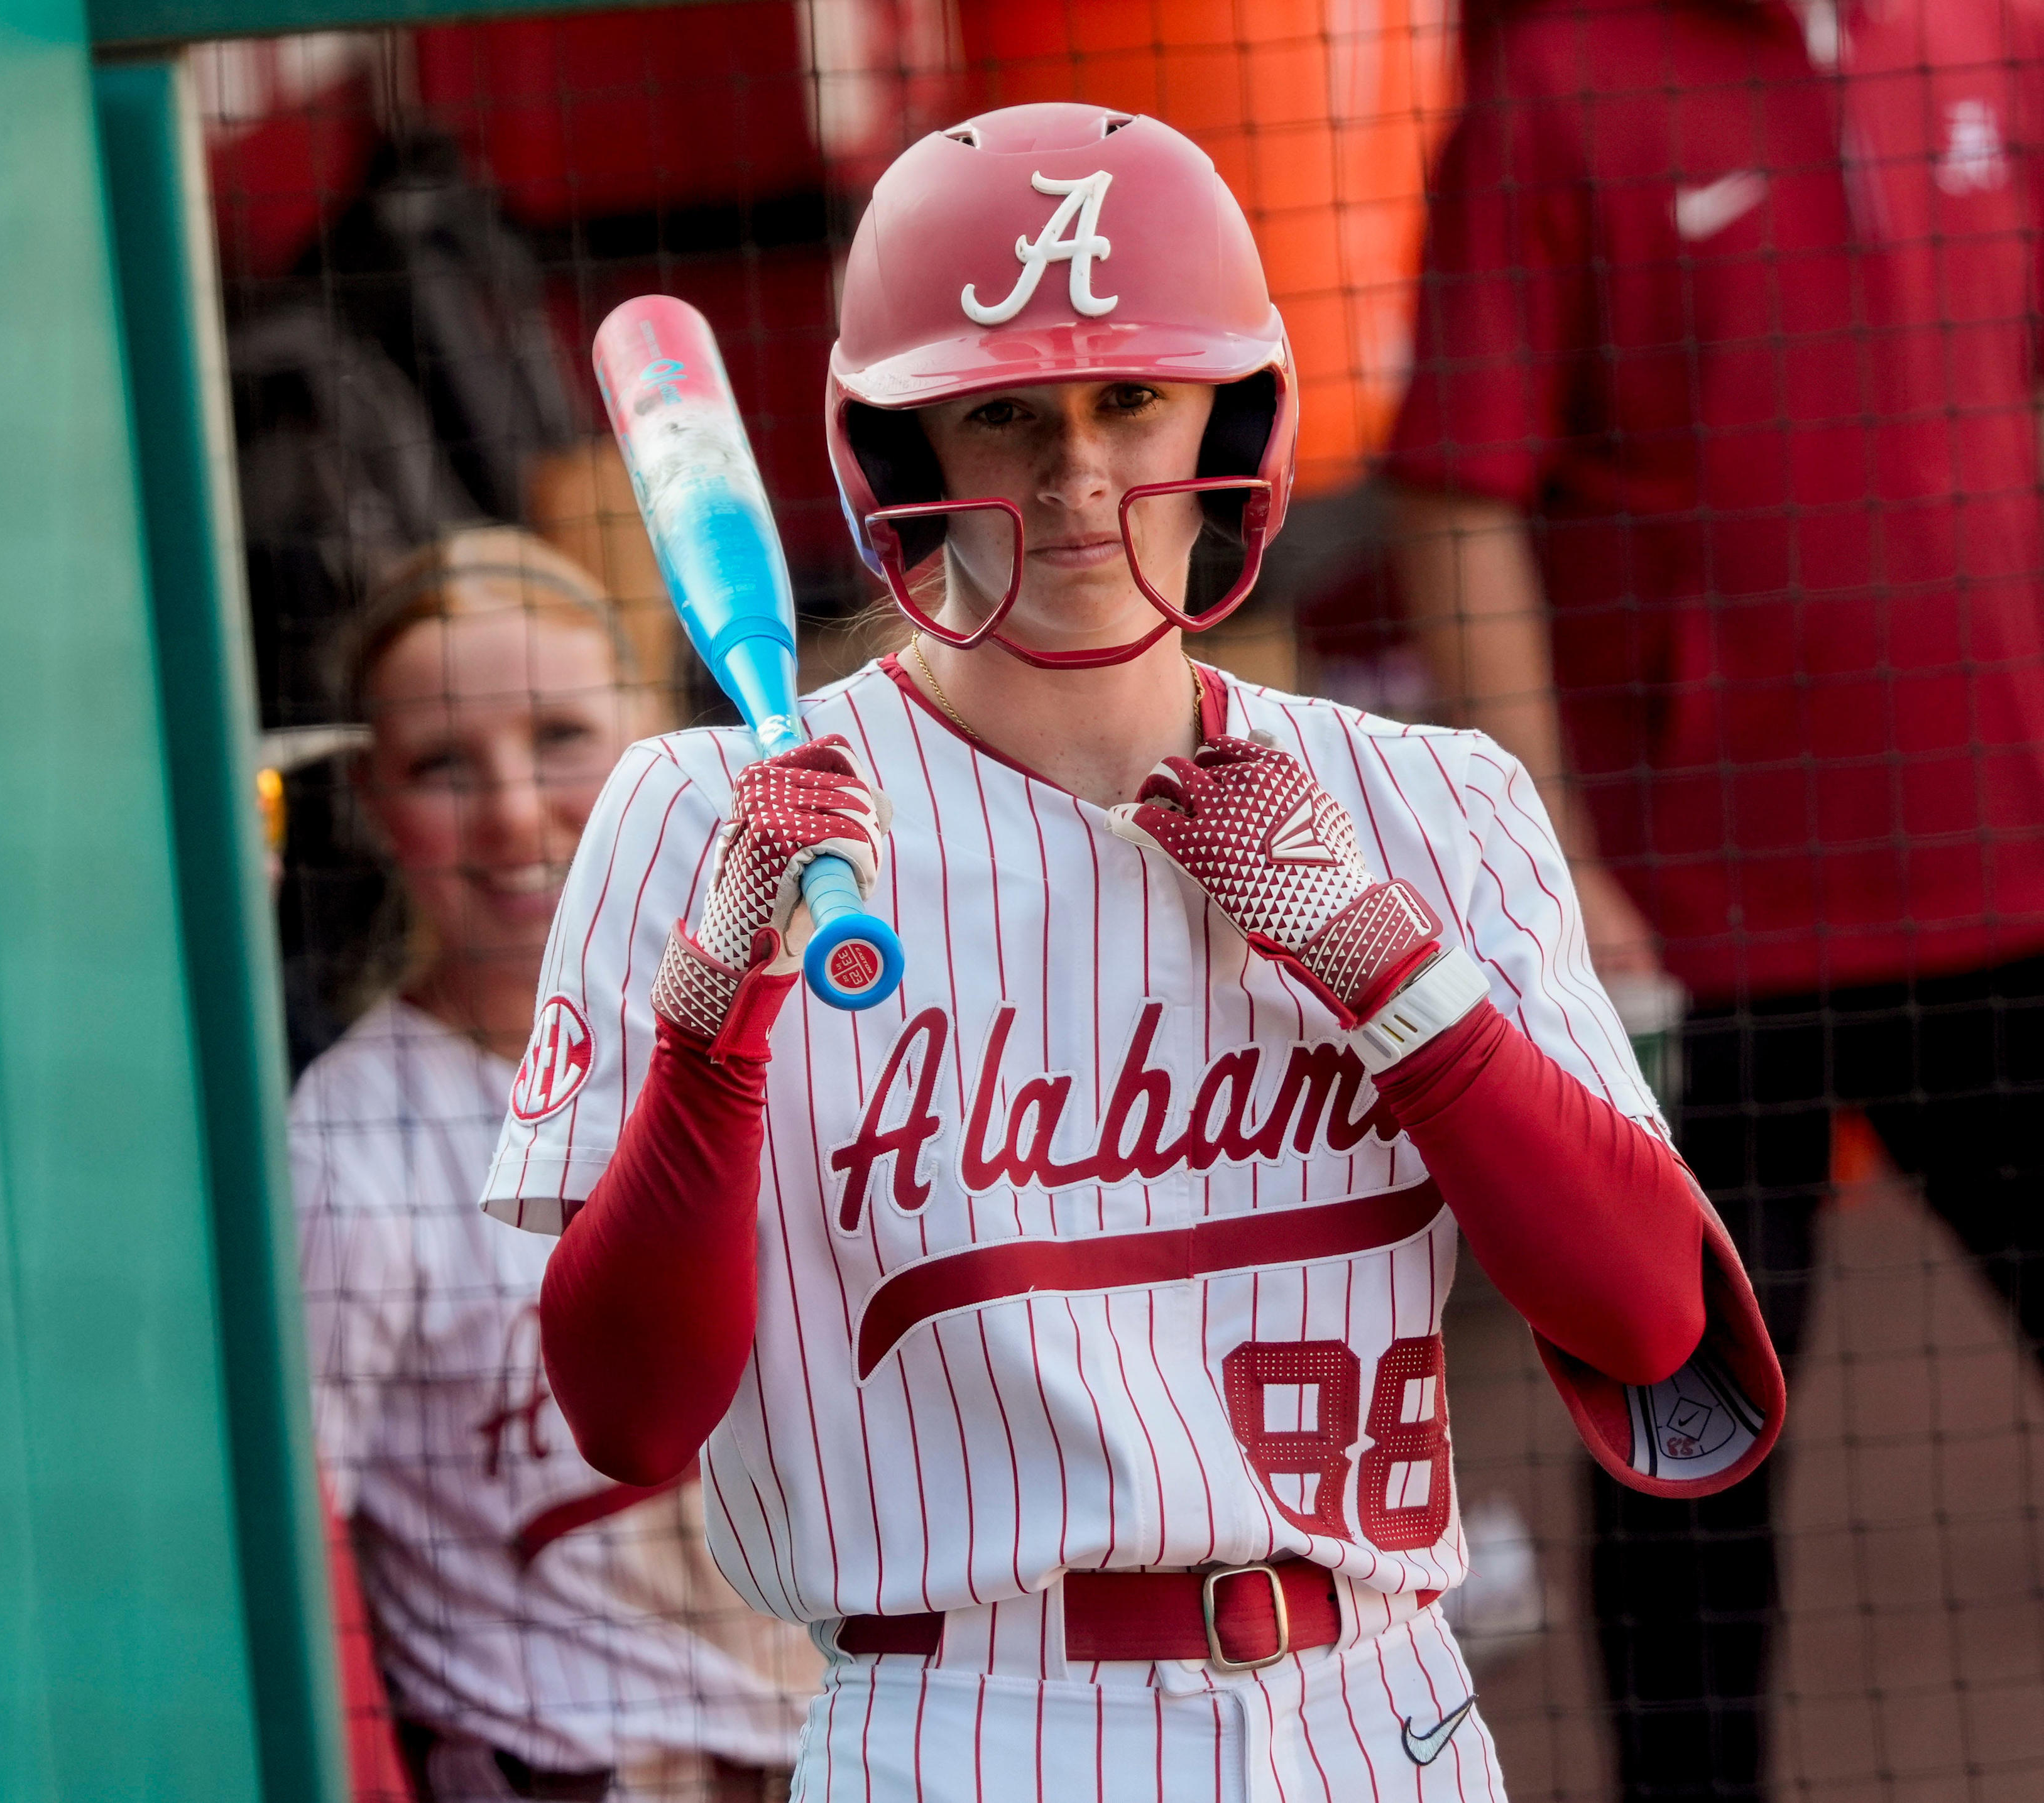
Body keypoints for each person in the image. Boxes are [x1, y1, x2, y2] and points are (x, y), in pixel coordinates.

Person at [481, 104, 1784, 1803]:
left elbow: (1644, 1308)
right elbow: (628, 1418)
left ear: (1233, 417)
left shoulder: (1428, 799)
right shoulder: (701, 817)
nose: (1078, 472)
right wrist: (716, 1025)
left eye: (1131, 398)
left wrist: (1397, 976)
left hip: (1384, 1708)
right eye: (1007, 409)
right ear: (899, 449)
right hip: (970, 1716)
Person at [1384, 4, 2044, 1794]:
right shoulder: (1557, 85)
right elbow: (1453, 494)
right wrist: (1555, 865)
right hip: (1693, 938)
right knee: (1692, 1470)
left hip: (2010, 889)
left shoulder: (1996, 34)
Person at [290, 526, 817, 1803]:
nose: (517, 810)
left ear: (653, 737)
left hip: (852, 1751)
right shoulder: (344, 1137)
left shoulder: (804, 1027)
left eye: (562, 738)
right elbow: (305, 1561)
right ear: (372, 802)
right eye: (442, 765)